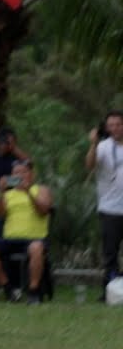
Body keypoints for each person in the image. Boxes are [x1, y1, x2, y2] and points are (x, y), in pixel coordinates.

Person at [0, 159, 54, 304]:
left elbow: (44, 211)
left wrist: (28, 192)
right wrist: (0, 193)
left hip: (35, 238)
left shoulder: (41, 190)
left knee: (36, 248)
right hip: (10, 239)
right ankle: (8, 288)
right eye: (16, 173)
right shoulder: (8, 194)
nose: (20, 176)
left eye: (23, 172)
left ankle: (33, 291)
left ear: (31, 174)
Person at [86, 111, 123, 285]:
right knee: (111, 252)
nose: (115, 128)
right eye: (111, 125)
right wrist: (93, 144)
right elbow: (89, 165)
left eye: (118, 124)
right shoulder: (103, 146)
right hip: (110, 208)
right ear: (107, 128)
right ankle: (109, 289)